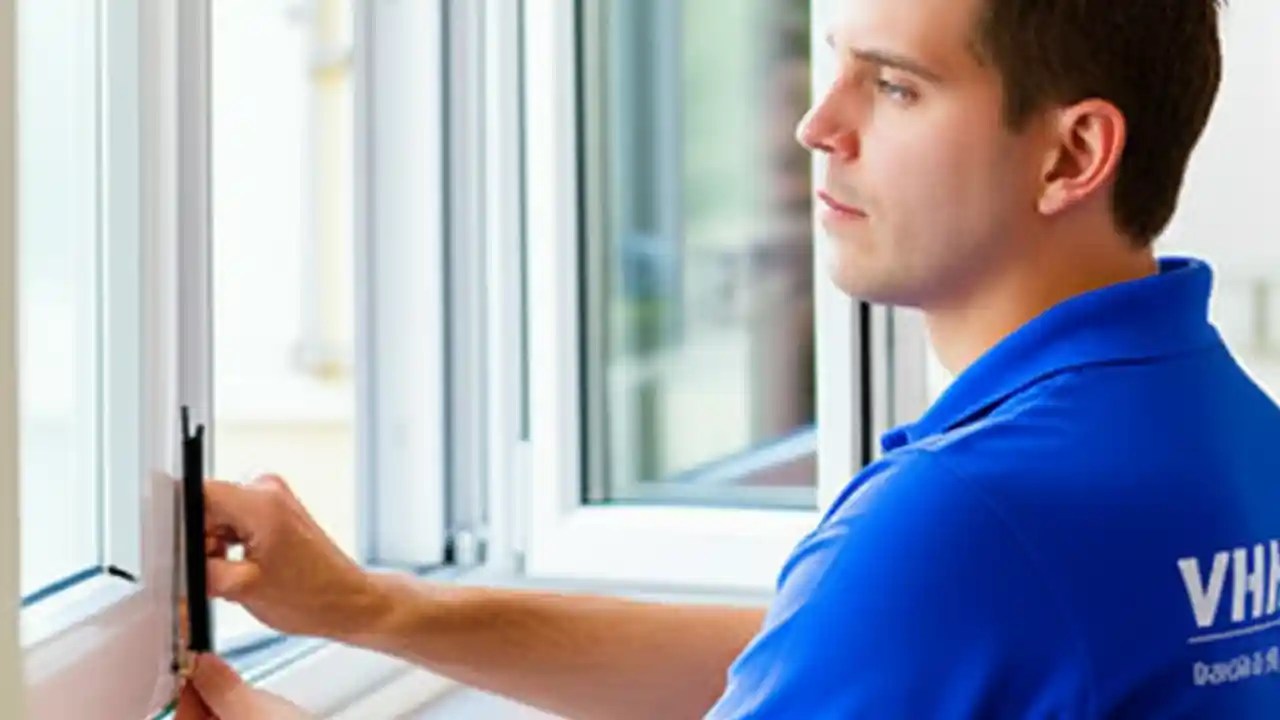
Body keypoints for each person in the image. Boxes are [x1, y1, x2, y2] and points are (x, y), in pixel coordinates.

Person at [182, 0, 1280, 717]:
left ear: (1070, 152)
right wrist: (377, 613)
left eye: (892, 86)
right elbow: (832, 650)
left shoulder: (968, 518)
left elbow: (891, 611)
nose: (816, 124)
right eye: (832, 64)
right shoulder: (1226, 431)